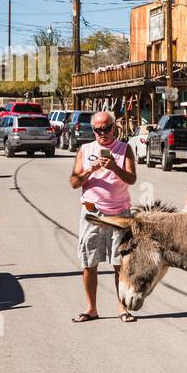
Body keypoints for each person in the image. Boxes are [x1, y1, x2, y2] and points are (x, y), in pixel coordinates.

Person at [69, 111, 138, 323]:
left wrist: (114, 167)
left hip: (119, 214)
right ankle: (91, 309)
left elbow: (132, 178)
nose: (102, 133)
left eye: (106, 128)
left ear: (114, 128)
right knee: (89, 262)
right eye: (97, 129)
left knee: (121, 264)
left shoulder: (124, 149)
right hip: (92, 213)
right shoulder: (85, 149)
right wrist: (90, 170)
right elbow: (73, 182)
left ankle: (122, 308)